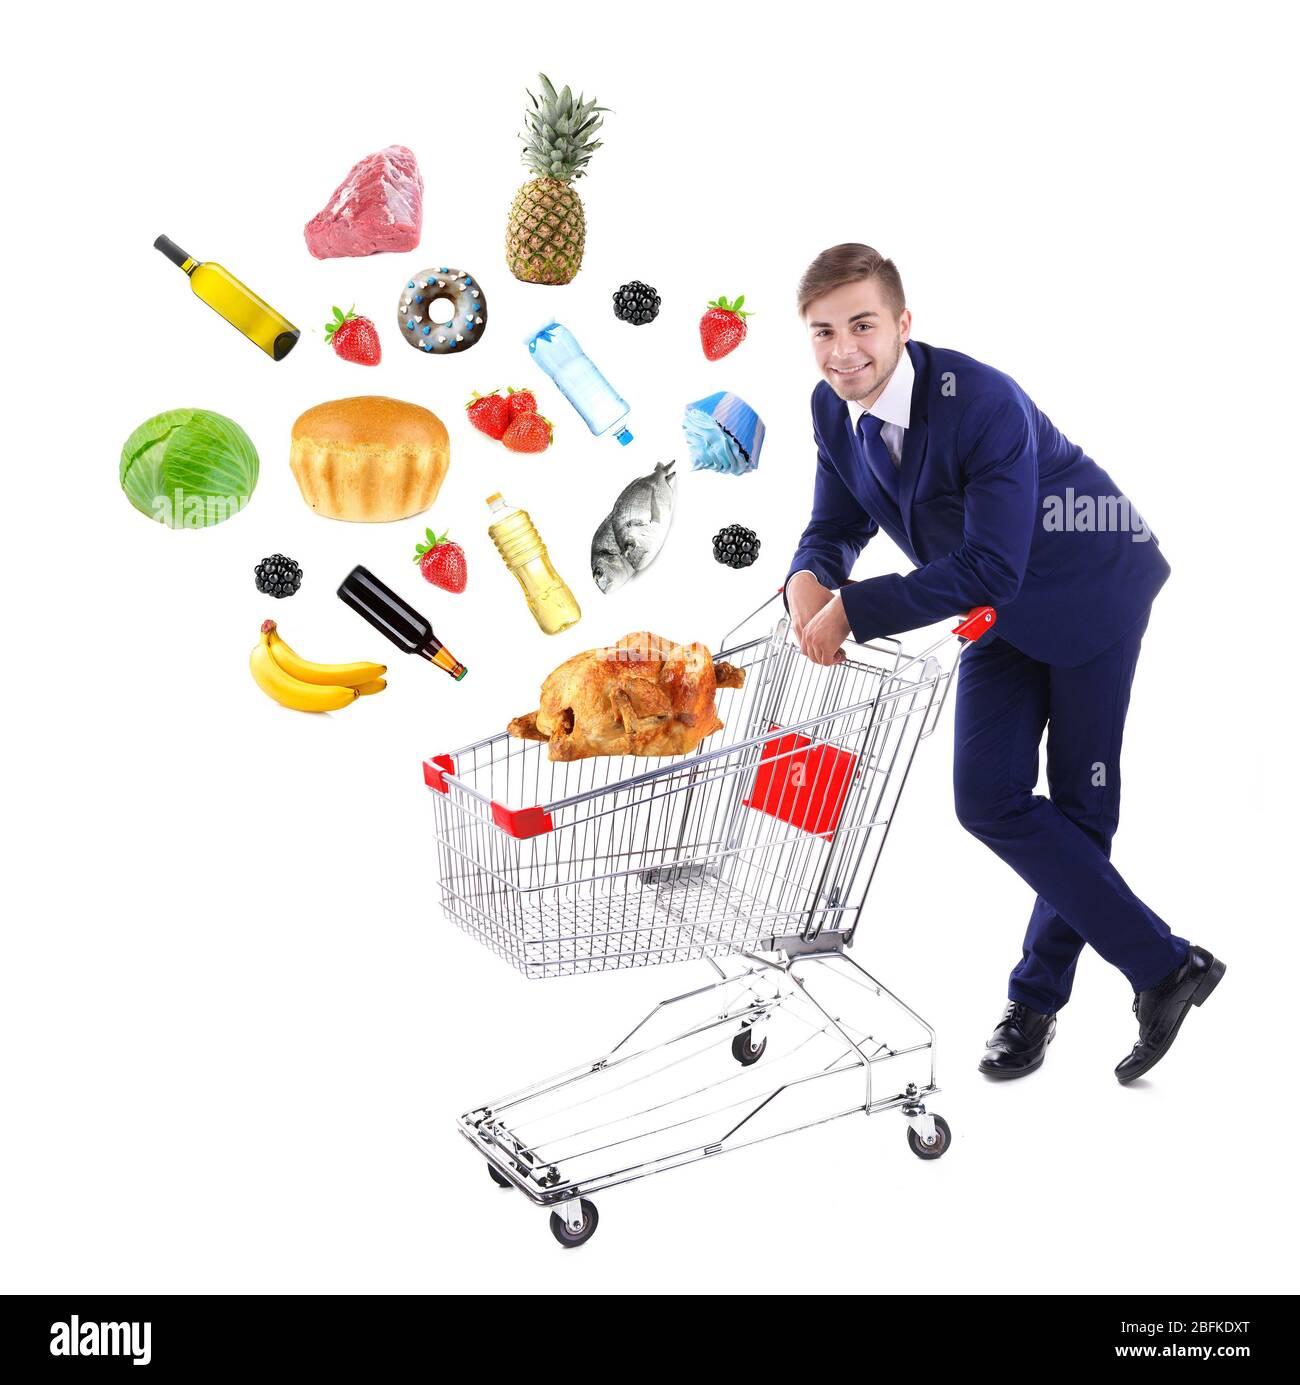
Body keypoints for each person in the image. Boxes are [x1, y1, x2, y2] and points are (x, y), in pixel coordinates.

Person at [785, 243, 1224, 1083]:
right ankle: (1167, 965)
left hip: (1090, 588)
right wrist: (810, 575)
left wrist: (857, 609)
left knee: (1081, 804)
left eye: (863, 325)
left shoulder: (981, 402)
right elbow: (836, 520)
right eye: (823, 332)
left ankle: (1037, 999)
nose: (844, 351)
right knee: (985, 796)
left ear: (904, 325)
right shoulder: (828, 405)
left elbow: (993, 563)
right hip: (995, 609)